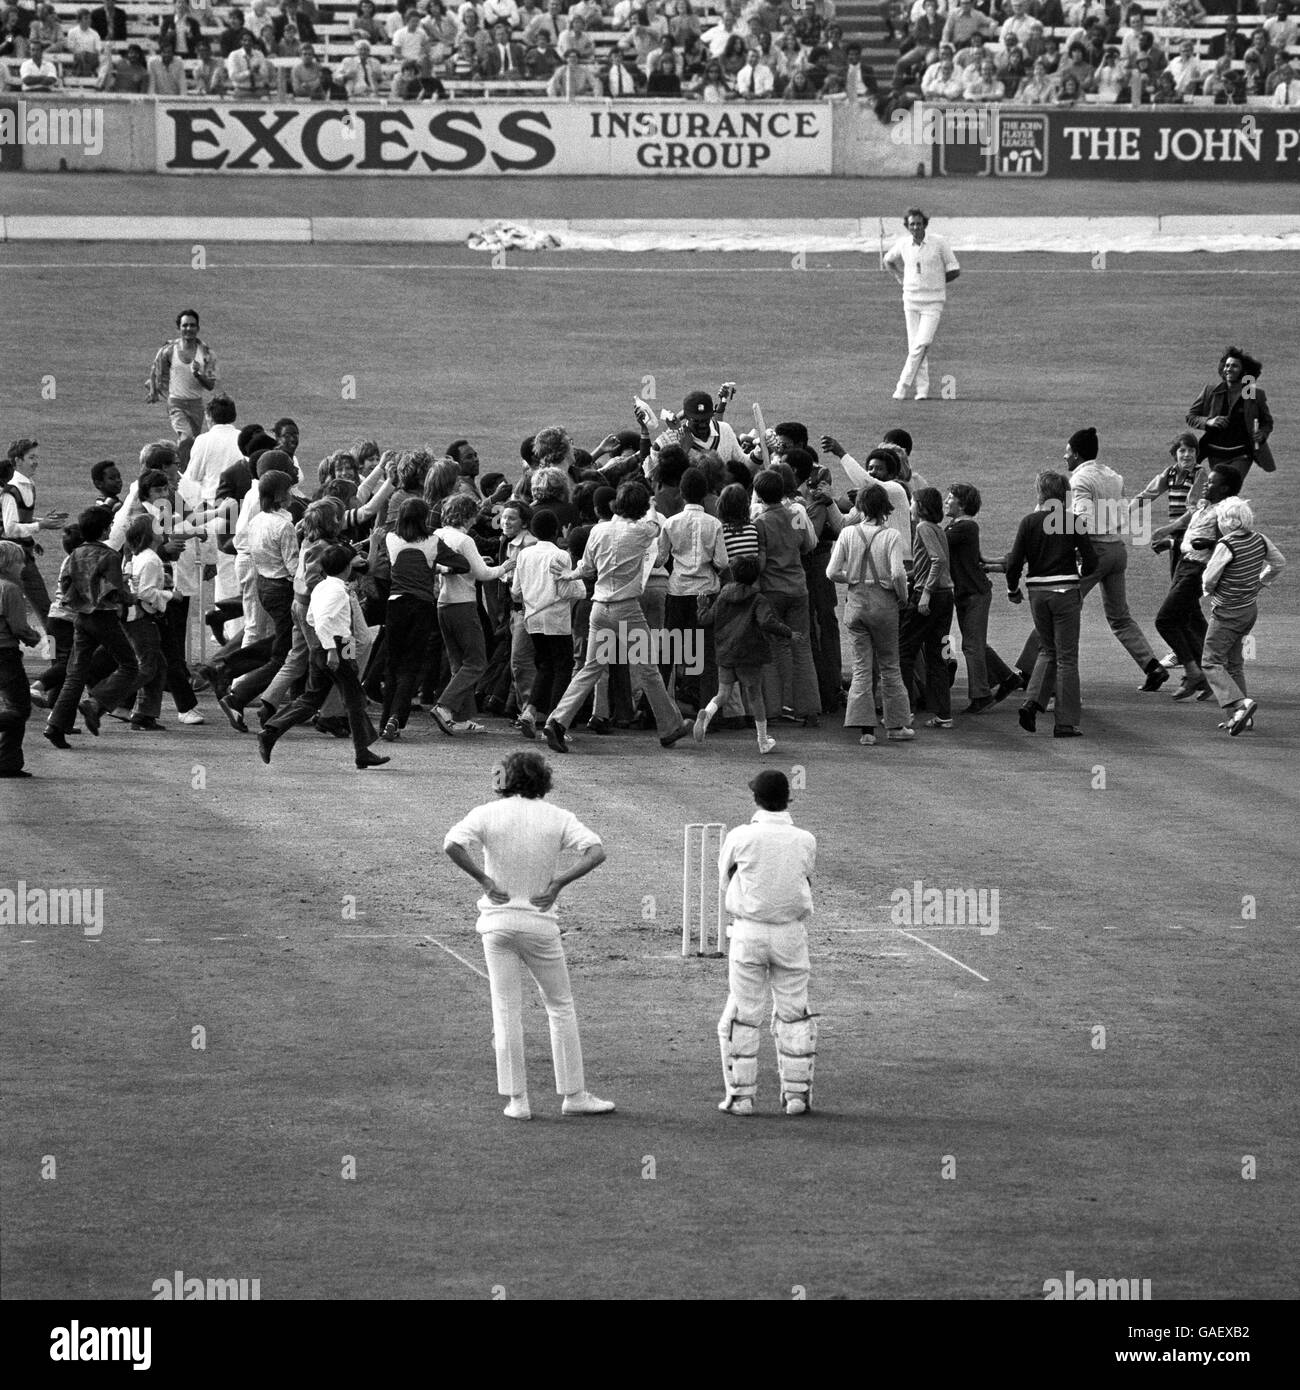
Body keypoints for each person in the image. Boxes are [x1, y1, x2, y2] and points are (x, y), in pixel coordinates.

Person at [443, 750, 615, 1120]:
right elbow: (596, 852)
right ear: (542, 780)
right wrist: (558, 884)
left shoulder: (486, 813)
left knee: (505, 1011)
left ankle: (517, 1102)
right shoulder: (558, 817)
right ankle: (574, 1095)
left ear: (506, 779)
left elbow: (451, 844)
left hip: (497, 926)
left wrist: (485, 881)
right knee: (560, 1006)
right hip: (540, 925)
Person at [543, 481, 692, 754]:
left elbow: (586, 568)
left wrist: (570, 575)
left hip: (599, 607)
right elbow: (655, 526)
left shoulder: (598, 530)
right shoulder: (641, 531)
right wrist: (650, 505)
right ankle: (670, 727)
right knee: (649, 670)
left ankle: (557, 722)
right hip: (627, 609)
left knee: (590, 669)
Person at [716, 769, 818, 1117]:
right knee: (793, 1013)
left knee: (744, 1013)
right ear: (788, 798)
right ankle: (796, 1096)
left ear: (755, 798)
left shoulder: (740, 836)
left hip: (749, 931)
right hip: (790, 934)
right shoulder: (805, 838)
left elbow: (725, 878)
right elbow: (804, 879)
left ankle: (742, 1097)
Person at [257, 544, 390, 770]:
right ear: (347, 567)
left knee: (314, 697)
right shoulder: (338, 591)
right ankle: (362, 751)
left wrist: (324, 645)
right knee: (354, 697)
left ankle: (272, 730)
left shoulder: (321, 587)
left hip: (329, 644)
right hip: (338, 645)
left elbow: (311, 618)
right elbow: (324, 620)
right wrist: (332, 649)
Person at [1002, 470, 1098, 738]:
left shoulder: (1029, 522)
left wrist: (1012, 590)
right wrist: (1079, 572)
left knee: (1047, 649)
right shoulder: (1073, 521)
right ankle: (1065, 723)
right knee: (1067, 657)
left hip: (1037, 593)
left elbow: (1014, 563)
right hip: (1066, 592)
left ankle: (1032, 703)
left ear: (1040, 493)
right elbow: (1092, 562)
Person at [43, 506, 140, 750]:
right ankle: (96, 703)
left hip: (79, 618)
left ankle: (55, 724)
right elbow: (116, 592)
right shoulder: (109, 556)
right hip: (103, 617)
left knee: (74, 674)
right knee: (129, 665)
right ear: (107, 529)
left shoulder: (74, 554)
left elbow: (66, 585)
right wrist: (132, 595)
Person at [827, 481, 912, 745]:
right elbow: (898, 573)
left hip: (856, 603)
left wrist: (851, 577)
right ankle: (896, 725)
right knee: (889, 665)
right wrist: (902, 596)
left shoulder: (848, 534)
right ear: (885, 508)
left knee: (862, 667)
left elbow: (831, 572)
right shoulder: (891, 536)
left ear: (860, 506)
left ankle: (865, 729)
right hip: (883, 604)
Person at [1150, 465, 1241, 704]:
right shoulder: (1205, 506)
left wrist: (1209, 542)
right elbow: (1191, 535)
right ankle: (1210, 676)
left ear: (1224, 488)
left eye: (1211, 483)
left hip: (1197, 571)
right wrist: (1170, 542)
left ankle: (1193, 672)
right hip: (1184, 565)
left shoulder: (1225, 512)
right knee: (1189, 620)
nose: (1205, 486)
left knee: (1166, 620)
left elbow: (1229, 542)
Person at [1201, 498, 1286, 736]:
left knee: (1211, 662)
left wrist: (1209, 592)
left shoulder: (1226, 544)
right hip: (1249, 610)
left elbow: (1209, 578)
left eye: (1221, 518)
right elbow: (1279, 563)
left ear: (1229, 521)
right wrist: (1261, 581)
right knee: (1234, 662)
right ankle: (1241, 719)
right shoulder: (1259, 538)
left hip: (1227, 613)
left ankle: (1240, 705)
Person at [694, 554, 791, 755]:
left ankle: (706, 715)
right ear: (756, 576)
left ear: (733, 574)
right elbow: (766, 622)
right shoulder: (758, 599)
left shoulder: (722, 596)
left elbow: (706, 620)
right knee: (755, 696)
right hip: (749, 654)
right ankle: (763, 741)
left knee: (722, 694)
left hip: (725, 653)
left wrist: (702, 608)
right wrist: (787, 632)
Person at [944, 482, 1019, 712]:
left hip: (974, 593)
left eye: (950, 498)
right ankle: (1008, 679)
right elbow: (977, 558)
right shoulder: (957, 526)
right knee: (975, 644)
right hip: (969, 592)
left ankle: (981, 695)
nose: (946, 501)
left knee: (971, 646)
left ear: (962, 504)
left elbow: (937, 544)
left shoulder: (965, 527)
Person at [881, 208, 959, 403]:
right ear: (907, 226)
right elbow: (888, 260)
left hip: (933, 302)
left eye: (918, 223)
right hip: (911, 300)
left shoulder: (938, 243)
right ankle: (922, 389)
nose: (915, 227)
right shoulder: (904, 244)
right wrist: (900, 277)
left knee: (922, 343)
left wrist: (937, 283)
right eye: (912, 224)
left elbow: (954, 269)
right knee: (915, 346)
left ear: (925, 224)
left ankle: (902, 385)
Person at [2, 441, 66, 638]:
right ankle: (57, 657)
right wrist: (41, 525)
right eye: (31, 458)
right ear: (17, 461)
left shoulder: (28, 486)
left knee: (38, 607)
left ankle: (55, 655)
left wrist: (42, 521)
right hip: (11, 558)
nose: (36, 462)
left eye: (36, 457)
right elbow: (10, 528)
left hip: (21, 554)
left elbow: (20, 519)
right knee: (42, 608)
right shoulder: (12, 490)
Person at [1186, 347, 1275, 482]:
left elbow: (1267, 422)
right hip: (1215, 452)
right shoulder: (1210, 391)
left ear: (1244, 371)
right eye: (1227, 365)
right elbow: (1191, 417)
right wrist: (1208, 421)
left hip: (1242, 453)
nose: (1229, 369)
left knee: (1227, 487)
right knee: (1218, 489)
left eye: (1234, 366)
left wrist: (1262, 434)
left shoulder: (1253, 394)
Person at [0, 540, 41, 777]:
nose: (22, 567)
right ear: (7, 564)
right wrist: (36, 639)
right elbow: (18, 627)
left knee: (14, 706)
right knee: (19, 710)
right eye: (19, 562)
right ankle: (7, 760)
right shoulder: (10, 589)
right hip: (5, 653)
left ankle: (9, 761)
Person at [146, 310, 217, 441]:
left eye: (192, 325)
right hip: (176, 402)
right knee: (186, 437)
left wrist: (198, 374)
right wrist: (153, 389)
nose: (188, 328)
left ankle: (179, 461)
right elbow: (156, 369)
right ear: (179, 328)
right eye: (185, 325)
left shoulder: (206, 353)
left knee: (192, 442)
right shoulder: (169, 350)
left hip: (196, 404)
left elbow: (211, 385)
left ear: (198, 328)